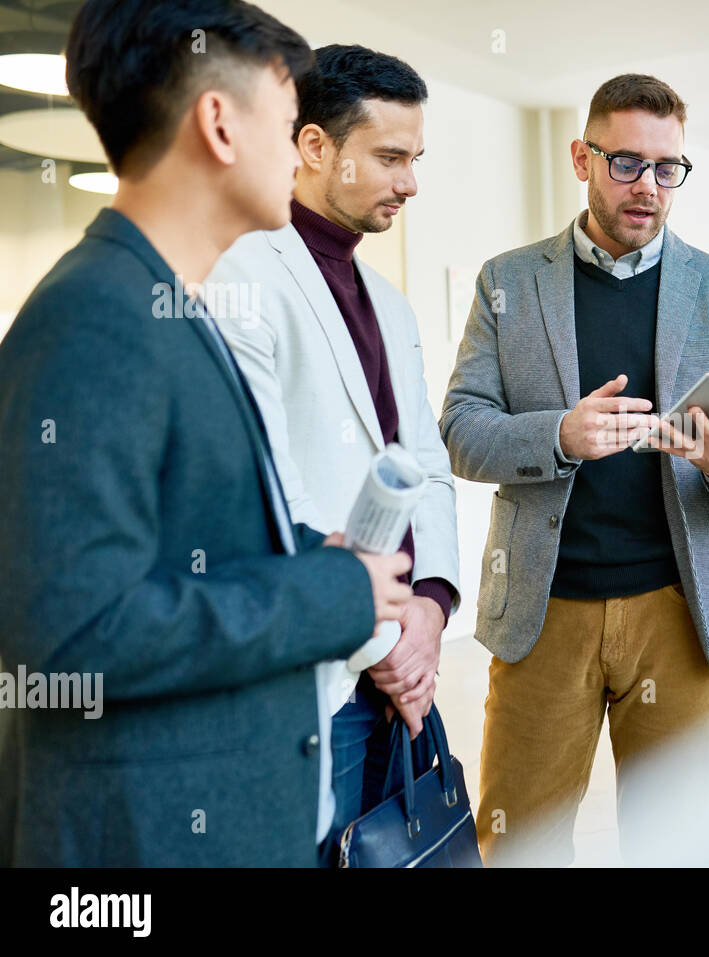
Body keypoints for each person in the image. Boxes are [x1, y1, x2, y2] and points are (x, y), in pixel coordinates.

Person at [0, 0, 412, 866]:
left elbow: (192, 539)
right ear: (219, 123)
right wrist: (330, 593)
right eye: (289, 120)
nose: (301, 146)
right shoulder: (95, 319)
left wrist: (312, 550)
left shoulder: (170, 306)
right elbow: (71, 631)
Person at [440, 73, 709, 866]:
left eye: (668, 169)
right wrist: (560, 432)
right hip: (545, 611)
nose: (648, 188)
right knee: (520, 839)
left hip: (680, 612)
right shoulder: (508, 282)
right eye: (626, 163)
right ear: (581, 157)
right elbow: (460, 432)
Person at [207, 44, 459, 866]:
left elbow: (426, 457)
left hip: (403, 656)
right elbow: (261, 493)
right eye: (390, 157)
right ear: (314, 147)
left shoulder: (388, 301)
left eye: (414, 159)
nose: (410, 182)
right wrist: (386, 647)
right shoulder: (237, 272)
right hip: (322, 673)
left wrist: (431, 604)